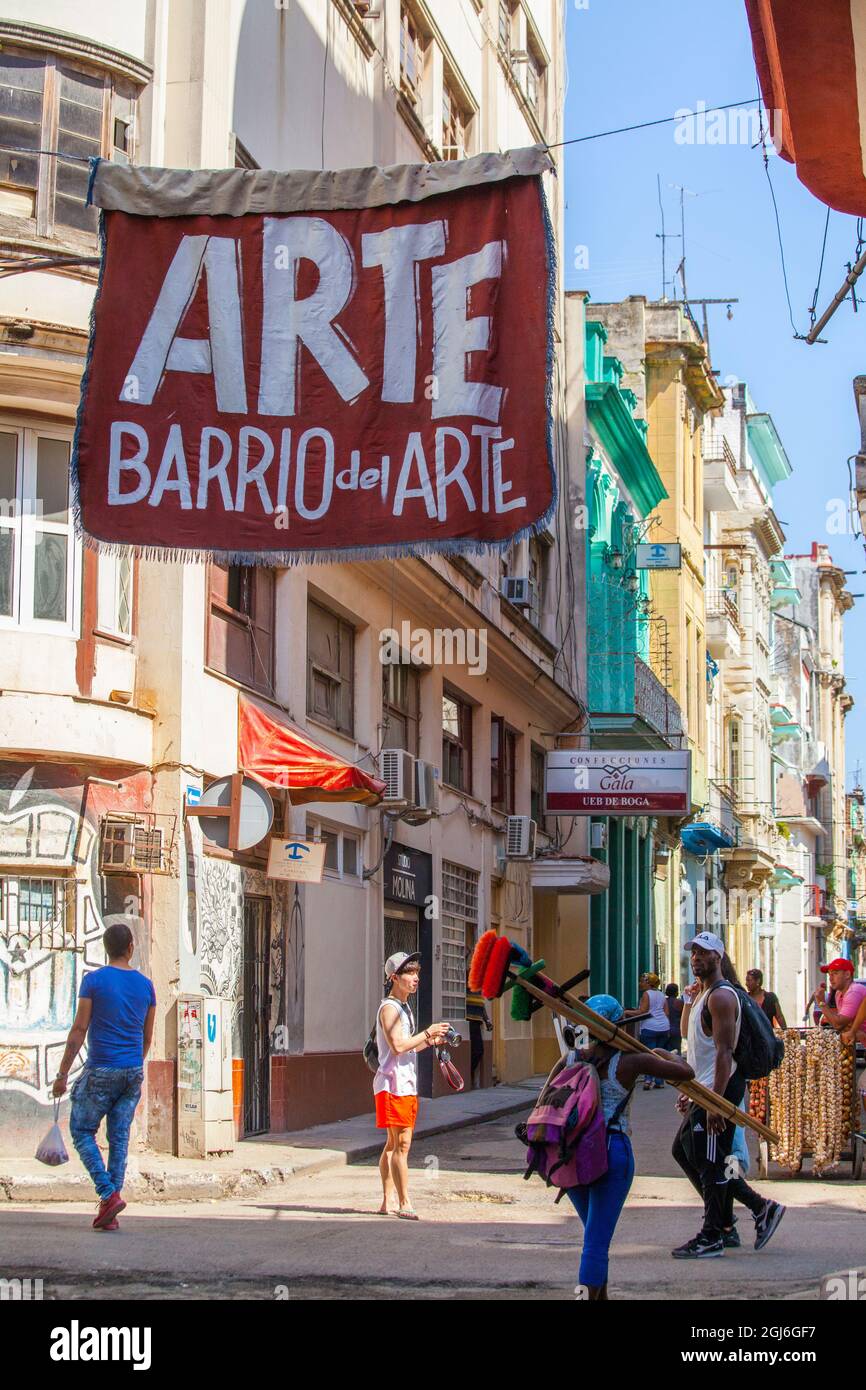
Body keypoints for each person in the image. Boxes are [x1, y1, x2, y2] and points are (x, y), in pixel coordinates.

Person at [564, 994, 694, 1301]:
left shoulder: (569, 1059)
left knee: (595, 1235)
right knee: (596, 1241)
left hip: (571, 1156)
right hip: (611, 1151)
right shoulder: (630, 1061)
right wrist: (665, 1053)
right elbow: (686, 1073)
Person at [671, 932, 785, 1259]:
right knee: (684, 1151)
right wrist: (691, 1091)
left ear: (718, 958)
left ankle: (714, 1234)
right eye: (693, 953)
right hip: (704, 1088)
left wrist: (715, 1104)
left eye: (703, 953)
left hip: (719, 1089)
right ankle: (751, 1212)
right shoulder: (705, 995)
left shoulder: (722, 997)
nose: (695, 958)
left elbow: (724, 1053)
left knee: (710, 1162)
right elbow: (695, 1045)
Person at [52, 922, 155, 1232]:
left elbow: (79, 1030)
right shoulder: (146, 986)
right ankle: (110, 1209)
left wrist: (62, 1074)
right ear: (131, 948)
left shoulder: (93, 982)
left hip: (101, 1068)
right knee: (119, 1138)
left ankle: (108, 1195)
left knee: (82, 1130)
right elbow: (146, 1037)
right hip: (132, 1071)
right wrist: (133, 1065)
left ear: (105, 948)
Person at [374, 951, 449, 1219]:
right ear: (394, 977)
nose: (415, 978)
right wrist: (427, 1033)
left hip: (403, 1083)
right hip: (393, 1085)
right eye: (409, 973)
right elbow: (397, 1046)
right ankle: (404, 1202)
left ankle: (387, 1201)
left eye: (417, 973)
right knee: (401, 1144)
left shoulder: (404, 1008)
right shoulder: (389, 1009)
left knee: (392, 1143)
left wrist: (432, 1040)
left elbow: (408, 1048)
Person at [817, 959, 866, 1042]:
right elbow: (841, 1025)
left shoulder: (854, 991)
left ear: (847, 974)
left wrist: (822, 1003)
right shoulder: (839, 993)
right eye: (829, 974)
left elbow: (838, 1024)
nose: (830, 978)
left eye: (835, 973)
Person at [635, 971, 669, 1089]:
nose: (640, 983)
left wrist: (627, 1012)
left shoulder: (646, 994)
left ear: (648, 983)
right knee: (660, 1055)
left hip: (649, 1028)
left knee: (649, 1055)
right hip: (664, 1027)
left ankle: (648, 1081)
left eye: (642, 981)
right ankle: (659, 1081)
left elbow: (643, 1011)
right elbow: (666, 1012)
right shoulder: (661, 994)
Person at [465, 973, 492, 1090]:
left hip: (477, 1021)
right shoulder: (466, 986)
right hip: (469, 1020)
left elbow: (482, 1004)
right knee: (476, 1050)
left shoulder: (479, 988)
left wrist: (487, 1020)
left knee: (479, 1051)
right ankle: (468, 1074)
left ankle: (470, 1073)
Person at [664, 983, 684, 1055]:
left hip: (664, 1029)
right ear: (676, 992)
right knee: (676, 1051)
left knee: (664, 1052)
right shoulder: (680, 1003)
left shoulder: (664, 1001)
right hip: (676, 1030)